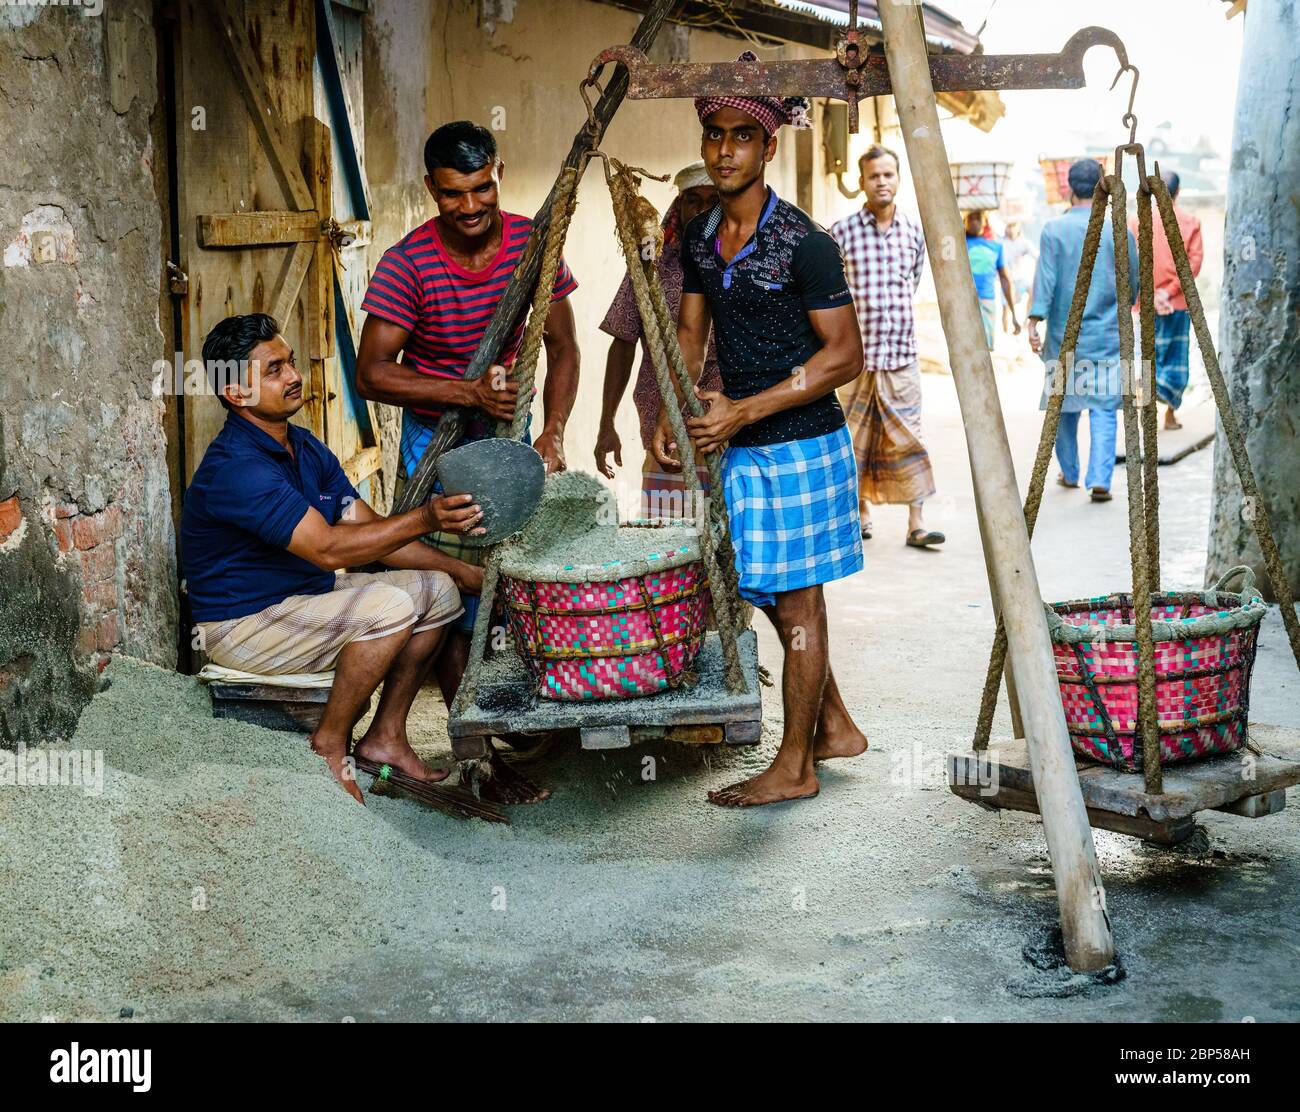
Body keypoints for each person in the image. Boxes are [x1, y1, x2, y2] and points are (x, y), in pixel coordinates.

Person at [652, 63, 869, 807]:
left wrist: (743, 410)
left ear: (768, 146)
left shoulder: (805, 241)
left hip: (803, 443)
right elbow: (689, 330)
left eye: (743, 136)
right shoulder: (704, 235)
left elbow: (844, 355)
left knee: (799, 606)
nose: (724, 151)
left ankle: (796, 765)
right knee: (775, 595)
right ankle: (833, 723)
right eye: (715, 135)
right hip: (743, 444)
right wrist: (673, 408)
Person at [356, 120, 579, 801]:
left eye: (482, 187)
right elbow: (371, 373)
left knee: (513, 583)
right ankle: (476, 753)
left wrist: (556, 431)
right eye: (455, 194)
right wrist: (465, 391)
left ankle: (506, 729)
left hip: (515, 436)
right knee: (452, 595)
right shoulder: (408, 263)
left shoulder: (532, 244)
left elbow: (565, 348)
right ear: (432, 189)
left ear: (498, 173)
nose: (472, 206)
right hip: (439, 447)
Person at [182, 314, 486, 804]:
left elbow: (369, 533)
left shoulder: (303, 446)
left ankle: (385, 737)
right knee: (387, 609)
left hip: (304, 599)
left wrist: (462, 572)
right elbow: (326, 548)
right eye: (275, 369)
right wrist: (427, 517)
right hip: (244, 624)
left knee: (438, 591)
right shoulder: (237, 467)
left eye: (292, 362)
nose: (294, 376)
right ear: (236, 393)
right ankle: (329, 742)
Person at [830, 144, 944, 548]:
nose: (881, 182)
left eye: (888, 175)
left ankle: (917, 523)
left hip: (900, 357)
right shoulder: (841, 232)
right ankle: (861, 513)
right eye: (874, 176)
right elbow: (833, 294)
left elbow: (911, 283)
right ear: (861, 182)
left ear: (898, 179)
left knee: (908, 436)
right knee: (854, 437)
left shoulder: (915, 231)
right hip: (854, 361)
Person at [595, 161, 720, 518]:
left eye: (713, 201)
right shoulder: (654, 264)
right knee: (670, 533)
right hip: (663, 418)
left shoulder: (745, 262)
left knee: (726, 535)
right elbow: (622, 339)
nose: (701, 210)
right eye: (692, 199)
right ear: (678, 206)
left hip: (728, 418)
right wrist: (607, 422)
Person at [1028, 159, 1138, 502]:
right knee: (1104, 406)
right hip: (1107, 335)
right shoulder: (1118, 229)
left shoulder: (1053, 230)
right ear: (1101, 187)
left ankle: (1071, 472)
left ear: (1068, 188)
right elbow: (1132, 281)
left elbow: (1045, 281)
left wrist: (1034, 321)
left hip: (1064, 335)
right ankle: (1100, 478)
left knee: (1063, 403)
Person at [1128, 168, 1203, 429]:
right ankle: (1169, 415)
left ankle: (1145, 406)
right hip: (1177, 302)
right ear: (1178, 192)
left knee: (1146, 356)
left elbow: (1129, 262)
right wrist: (1167, 292)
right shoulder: (1190, 221)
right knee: (1176, 358)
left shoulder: (1136, 220)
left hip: (1143, 303)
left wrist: (1149, 294)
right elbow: (1193, 263)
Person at [964, 209, 1020, 347]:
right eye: (971, 218)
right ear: (966, 221)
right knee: (965, 348)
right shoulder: (958, 243)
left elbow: (1006, 280)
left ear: (985, 222)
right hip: (963, 302)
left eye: (979, 218)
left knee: (984, 348)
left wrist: (1013, 314)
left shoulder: (996, 247)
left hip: (986, 302)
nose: (975, 221)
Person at [1001, 220, 1036, 335]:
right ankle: (1006, 331)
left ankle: (1027, 320)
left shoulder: (1023, 242)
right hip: (1006, 278)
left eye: (1013, 226)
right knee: (1005, 307)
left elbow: (1036, 256)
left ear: (1018, 228)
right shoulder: (1001, 243)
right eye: (1009, 226)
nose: (1011, 229)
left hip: (1020, 278)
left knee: (1032, 292)